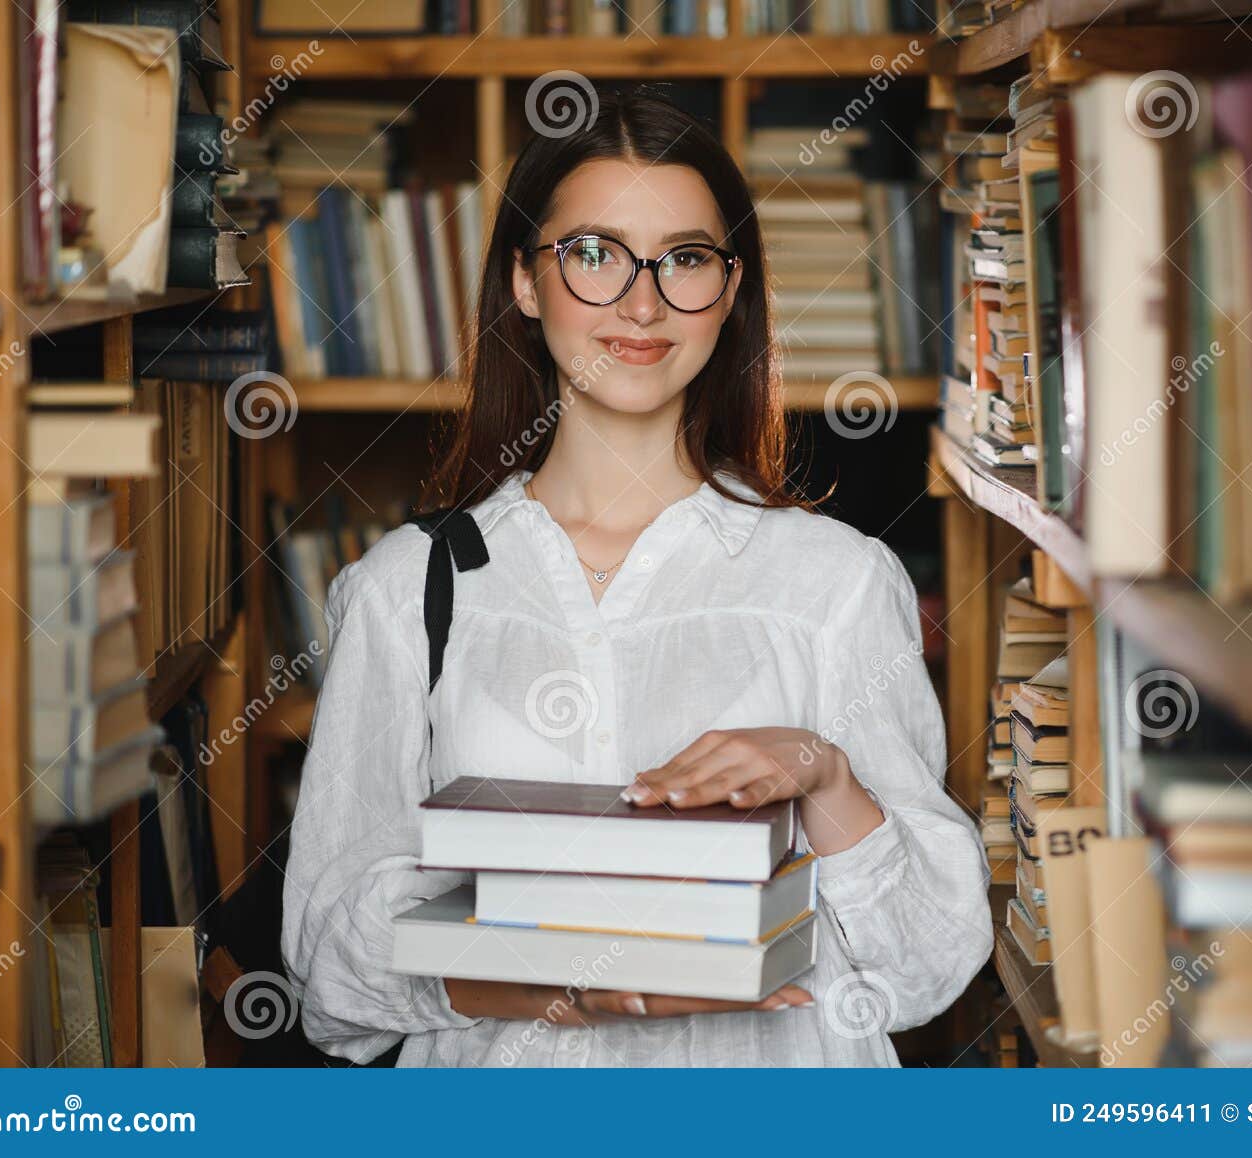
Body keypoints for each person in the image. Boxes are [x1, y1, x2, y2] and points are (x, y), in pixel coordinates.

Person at [281, 86, 992, 1067]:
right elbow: (328, 976)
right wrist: (534, 978)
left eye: (686, 259)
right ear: (526, 286)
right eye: (593, 255)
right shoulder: (408, 590)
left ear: (731, 289)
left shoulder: (836, 583)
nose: (643, 302)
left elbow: (927, 968)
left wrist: (823, 778)